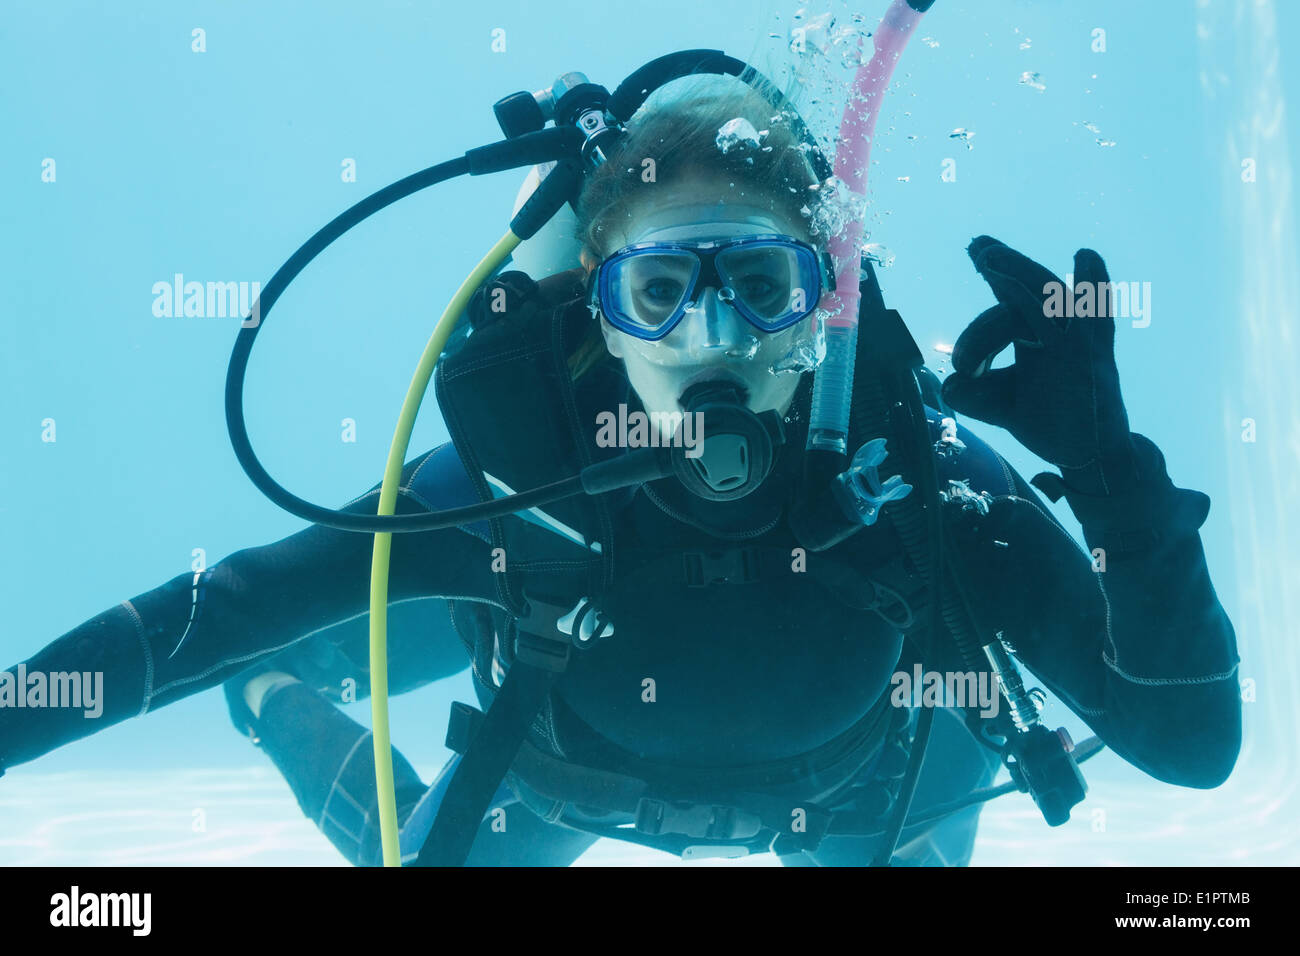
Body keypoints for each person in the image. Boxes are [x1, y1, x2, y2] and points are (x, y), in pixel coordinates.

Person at [0, 79, 1240, 867]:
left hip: (871, 798)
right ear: (597, 320)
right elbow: (212, 617)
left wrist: (1112, 472)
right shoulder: (522, 489)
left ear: (823, 312)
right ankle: (283, 701)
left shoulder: (913, 472)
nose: (714, 336)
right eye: (660, 292)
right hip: (565, 769)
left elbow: (1190, 744)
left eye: (760, 285)